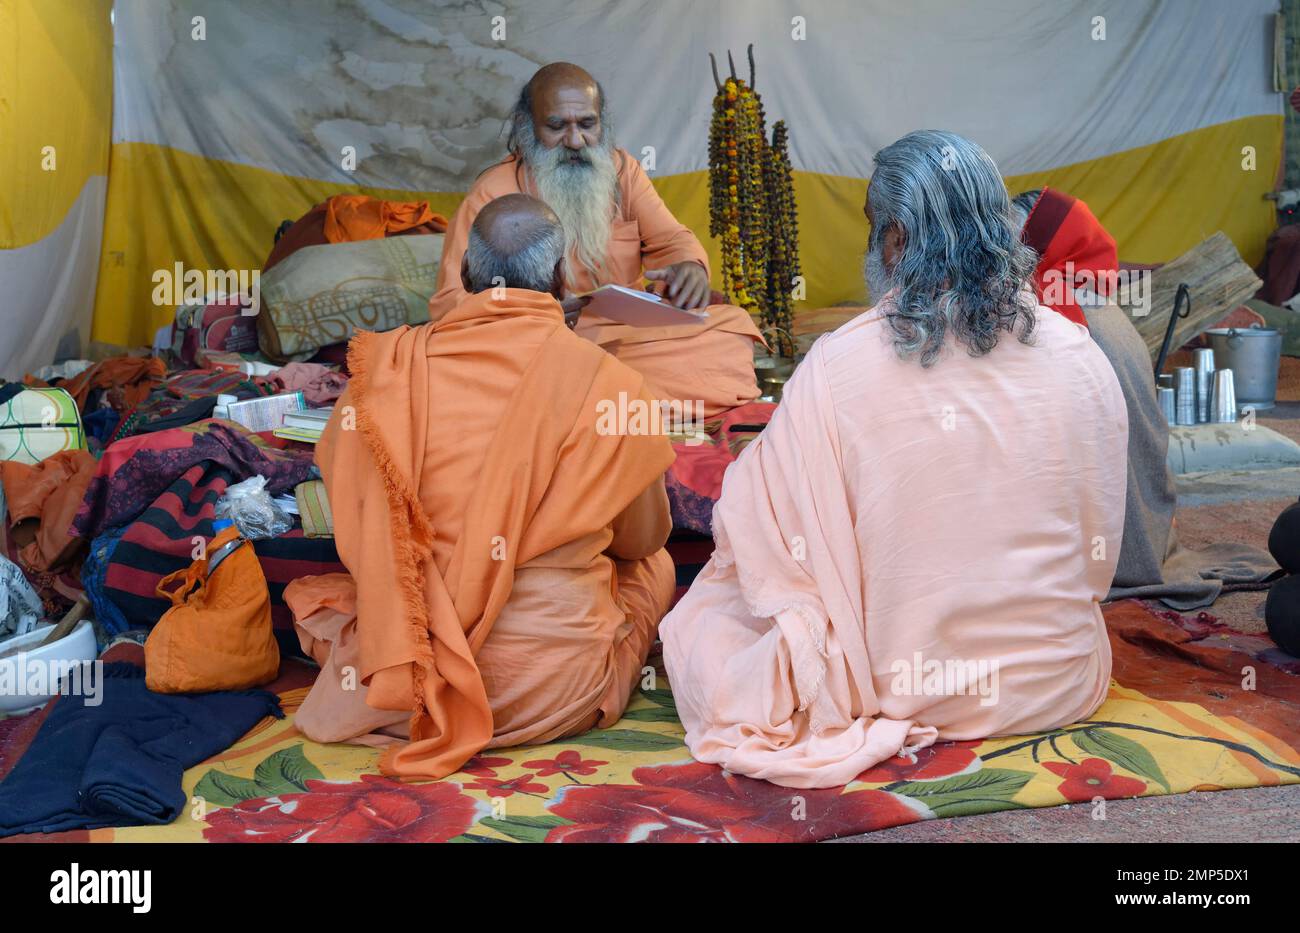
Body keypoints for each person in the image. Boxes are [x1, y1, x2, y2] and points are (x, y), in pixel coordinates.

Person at [660, 131, 1130, 788]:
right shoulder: (1078, 353)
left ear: (897, 242)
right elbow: (1097, 549)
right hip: (1056, 682)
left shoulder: (837, 367)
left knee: (702, 623)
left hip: (904, 688)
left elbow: (765, 539)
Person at [290, 193, 676, 779]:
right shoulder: (613, 385)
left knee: (318, 598)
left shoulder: (385, 369)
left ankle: (414, 665)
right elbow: (641, 540)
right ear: (560, 275)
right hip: (553, 694)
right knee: (656, 567)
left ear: (466, 272)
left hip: (407, 689)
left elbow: (357, 533)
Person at [430, 62, 765, 418]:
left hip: (633, 337)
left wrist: (690, 268)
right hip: (547, 343)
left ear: (602, 123)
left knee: (732, 328)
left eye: (587, 124)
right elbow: (451, 304)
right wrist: (535, 319)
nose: (575, 141)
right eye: (557, 126)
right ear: (528, 127)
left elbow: (671, 239)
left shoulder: (622, 171)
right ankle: (608, 400)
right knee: (531, 368)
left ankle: (590, 403)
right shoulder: (492, 193)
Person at [1015, 187, 1277, 609]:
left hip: (1113, 522)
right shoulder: (1087, 299)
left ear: (1034, 242)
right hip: (1143, 513)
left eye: (1011, 238)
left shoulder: (1055, 315)